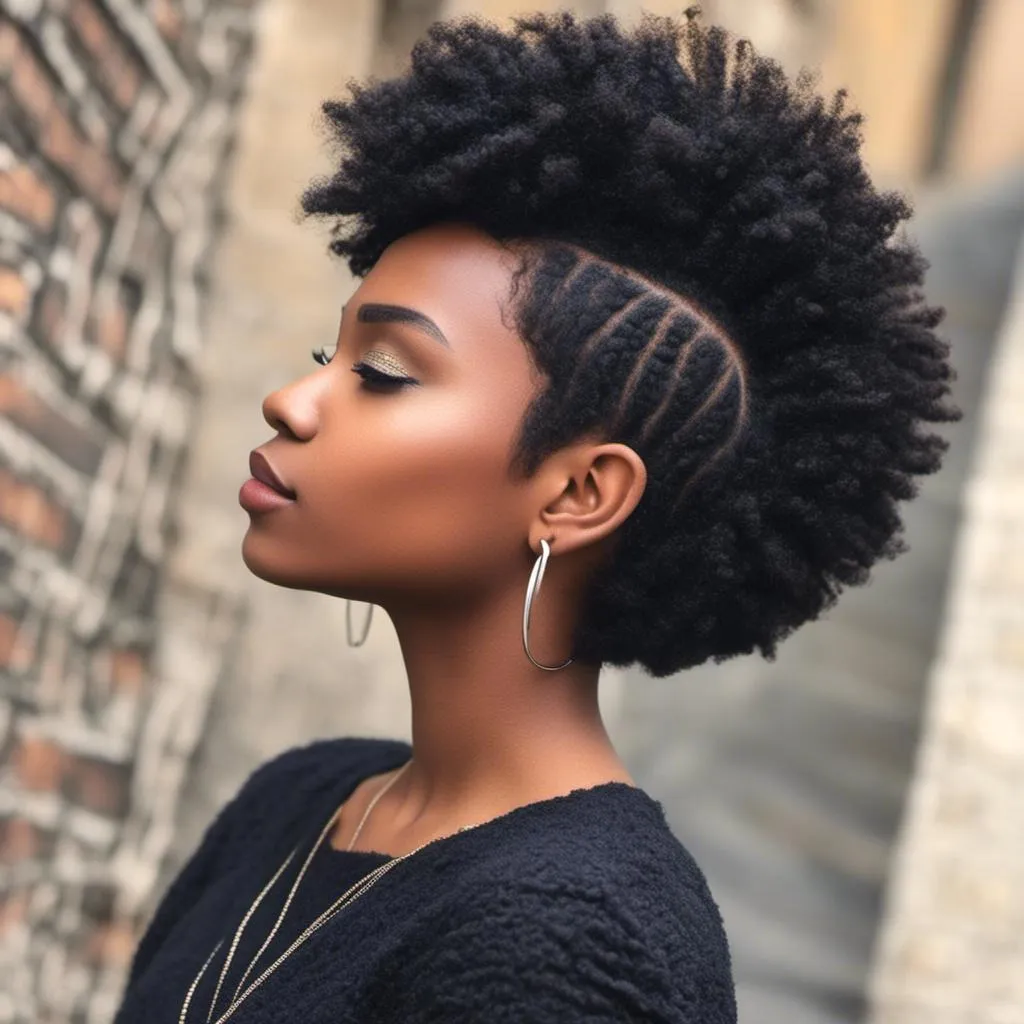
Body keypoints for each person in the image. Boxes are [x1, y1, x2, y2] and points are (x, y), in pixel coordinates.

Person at [114, 8, 959, 1023]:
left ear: (577, 494)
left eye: (382, 372)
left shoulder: (569, 939)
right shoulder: (298, 802)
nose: (291, 403)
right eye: (324, 357)